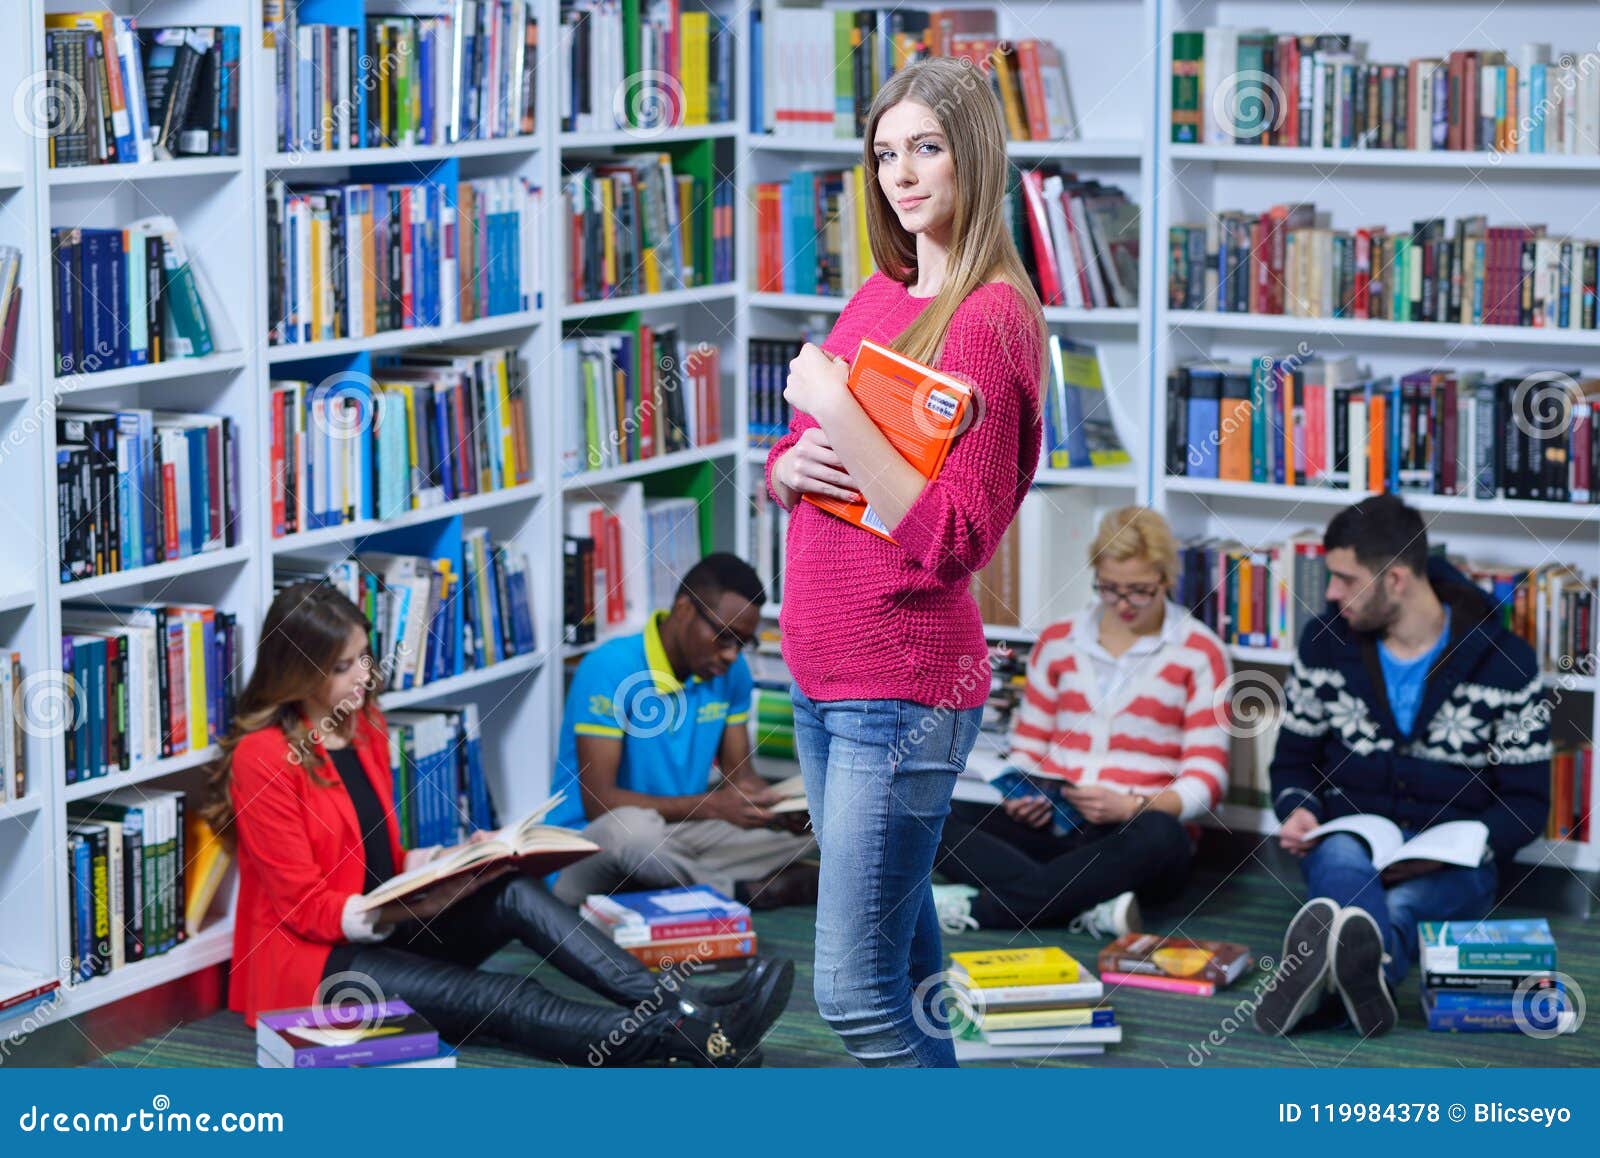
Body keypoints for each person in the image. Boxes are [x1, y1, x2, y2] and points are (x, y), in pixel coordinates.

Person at [765, 57, 1048, 1067]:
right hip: (820, 673)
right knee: (908, 976)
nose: (902, 174)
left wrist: (833, 406)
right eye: (886, 153)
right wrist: (785, 465)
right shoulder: (881, 295)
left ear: (973, 155)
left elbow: (955, 540)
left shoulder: (990, 320)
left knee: (852, 994)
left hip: (900, 689)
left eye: (926, 148)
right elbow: (810, 455)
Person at [208, 582, 794, 1067]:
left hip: (385, 926)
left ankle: (688, 1005)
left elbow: (379, 857)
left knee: (511, 889)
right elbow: (305, 910)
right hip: (316, 965)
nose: (364, 675)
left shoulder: (363, 726)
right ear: (299, 673)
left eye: (365, 655)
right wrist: (413, 905)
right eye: (343, 667)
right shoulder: (263, 757)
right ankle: (692, 1040)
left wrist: (450, 863)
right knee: (504, 996)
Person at [1253, 494, 1550, 1039]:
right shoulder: (1324, 643)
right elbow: (1293, 762)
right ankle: (1375, 974)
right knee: (1341, 860)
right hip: (1351, 836)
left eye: (1345, 578)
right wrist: (1297, 810)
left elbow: (1527, 803)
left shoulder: (1507, 661)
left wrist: (1465, 845)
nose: (1331, 592)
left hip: (1453, 862)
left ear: (1395, 580)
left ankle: (1325, 981)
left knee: (1405, 901)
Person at [933, 507, 1229, 938]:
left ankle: (985, 908)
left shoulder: (1200, 651)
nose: (1122, 603)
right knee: (936, 817)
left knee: (1163, 835)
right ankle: (1088, 905)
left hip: (1132, 834)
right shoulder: (1058, 641)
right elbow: (1028, 746)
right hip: (1057, 824)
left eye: (1139, 591)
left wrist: (1133, 806)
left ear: (1166, 580)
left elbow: (1208, 779)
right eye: (1109, 588)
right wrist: (1024, 792)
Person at [548, 553, 818, 908]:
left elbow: (741, 780)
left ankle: (665, 883)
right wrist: (712, 807)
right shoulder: (609, 666)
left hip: (678, 832)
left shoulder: (731, 674)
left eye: (742, 643)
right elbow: (600, 803)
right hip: (590, 843)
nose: (731, 655)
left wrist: (780, 813)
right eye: (724, 637)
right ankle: (739, 892)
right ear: (684, 609)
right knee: (633, 833)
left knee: (823, 826)